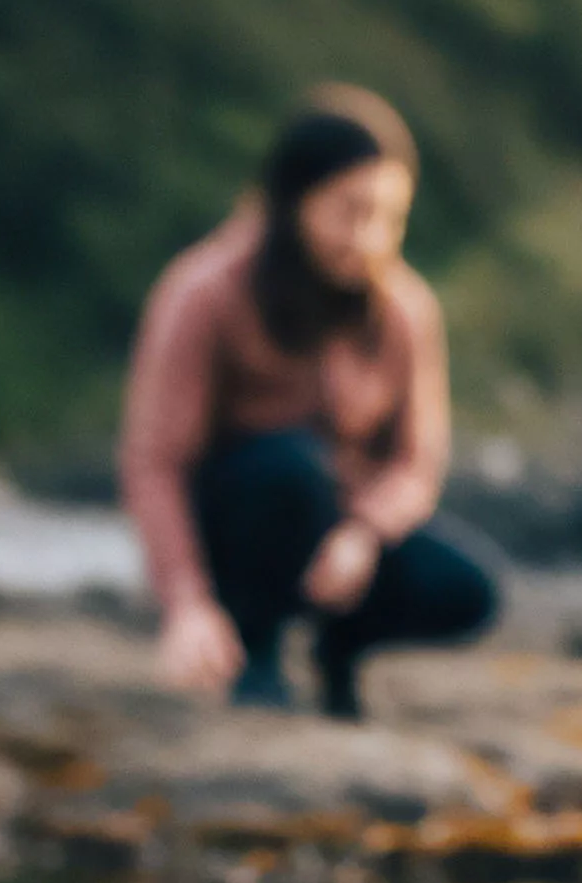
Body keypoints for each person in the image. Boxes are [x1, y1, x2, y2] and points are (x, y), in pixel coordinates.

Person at [122, 88, 497, 720]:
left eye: (389, 216)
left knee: (469, 591)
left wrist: (363, 533)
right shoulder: (204, 291)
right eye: (350, 211)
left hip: (339, 533)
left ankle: (339, 651)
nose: (369, 237)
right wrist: (185, 602)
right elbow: (156, 461)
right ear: (293, 200)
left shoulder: (406, 307)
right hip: (237, 526)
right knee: (289, 465)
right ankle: (256, 653)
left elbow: (417, 460)